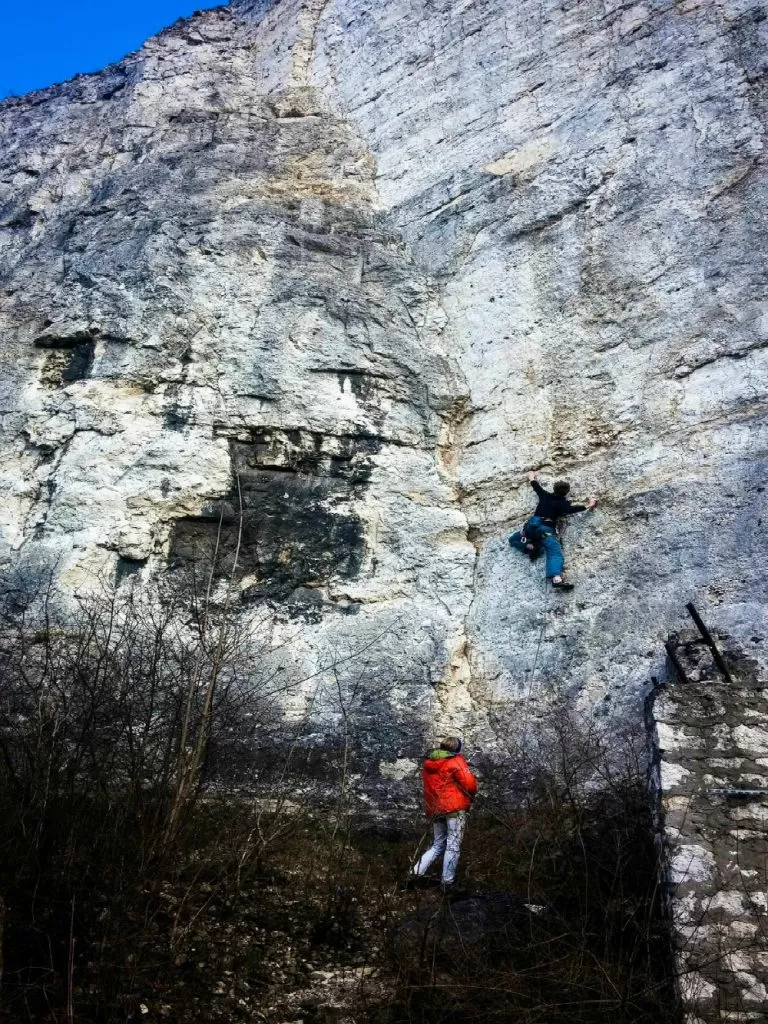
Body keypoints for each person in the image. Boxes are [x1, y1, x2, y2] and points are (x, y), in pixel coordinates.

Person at [409, 737, 478, 891]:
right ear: (457, 749)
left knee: (438, 844)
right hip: (454, 808)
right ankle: (447, 883)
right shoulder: (456, 761)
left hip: (435, 809)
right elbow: (470, 784)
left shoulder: (429, 763)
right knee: (453, 845)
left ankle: (414, 874)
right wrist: (471, 797)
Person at [509, 472, 597, 590]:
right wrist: (589, 505)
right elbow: (572, 509)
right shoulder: (563, 504)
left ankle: (531, 548)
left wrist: (531, 477)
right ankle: (557, 579)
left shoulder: (545, 495)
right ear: (566, 492)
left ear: (554, 489)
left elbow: (536, 486)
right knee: (554, 552)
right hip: (545, 532)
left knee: (513, 539)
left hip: (530, 528)